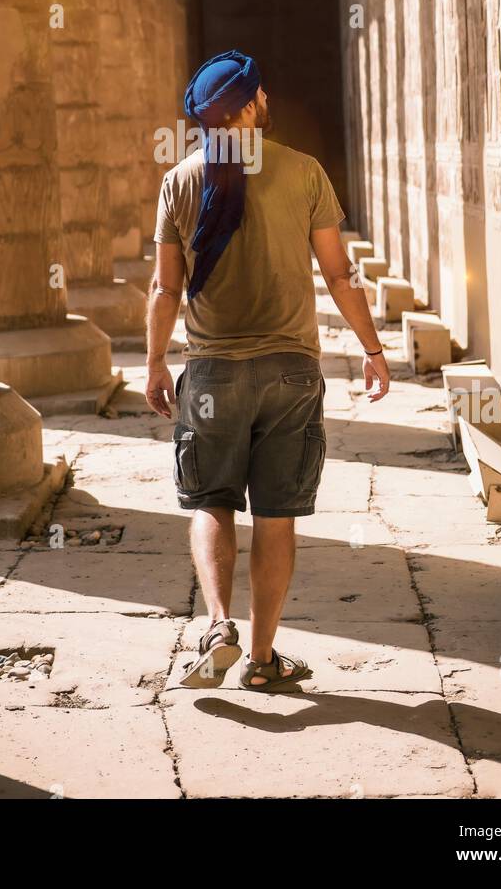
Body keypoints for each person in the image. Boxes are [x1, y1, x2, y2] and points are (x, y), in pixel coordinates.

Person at [145, 50, 390, 692]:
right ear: (253, 105)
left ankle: (218, 626)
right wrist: (372, 348)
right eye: (259, 93)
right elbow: (339, 274)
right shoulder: (304, 172)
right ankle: (261, 660)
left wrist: (153, 364)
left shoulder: (179, 181)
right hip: (290, 372)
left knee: (210, 501)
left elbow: (165, 291)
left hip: (210, 374)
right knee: (276, 515)